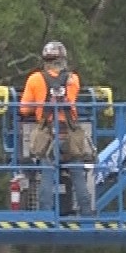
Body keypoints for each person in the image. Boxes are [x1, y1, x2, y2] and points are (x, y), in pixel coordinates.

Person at [17, 40, 95, 216]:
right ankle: (86, 212)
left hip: (47, 134)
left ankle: (45, 215)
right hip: (70, 134)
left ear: (45, 60)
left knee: (47, 174)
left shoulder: (35, 79)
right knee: (77, 174)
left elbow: (24, 108)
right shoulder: (73, 80)